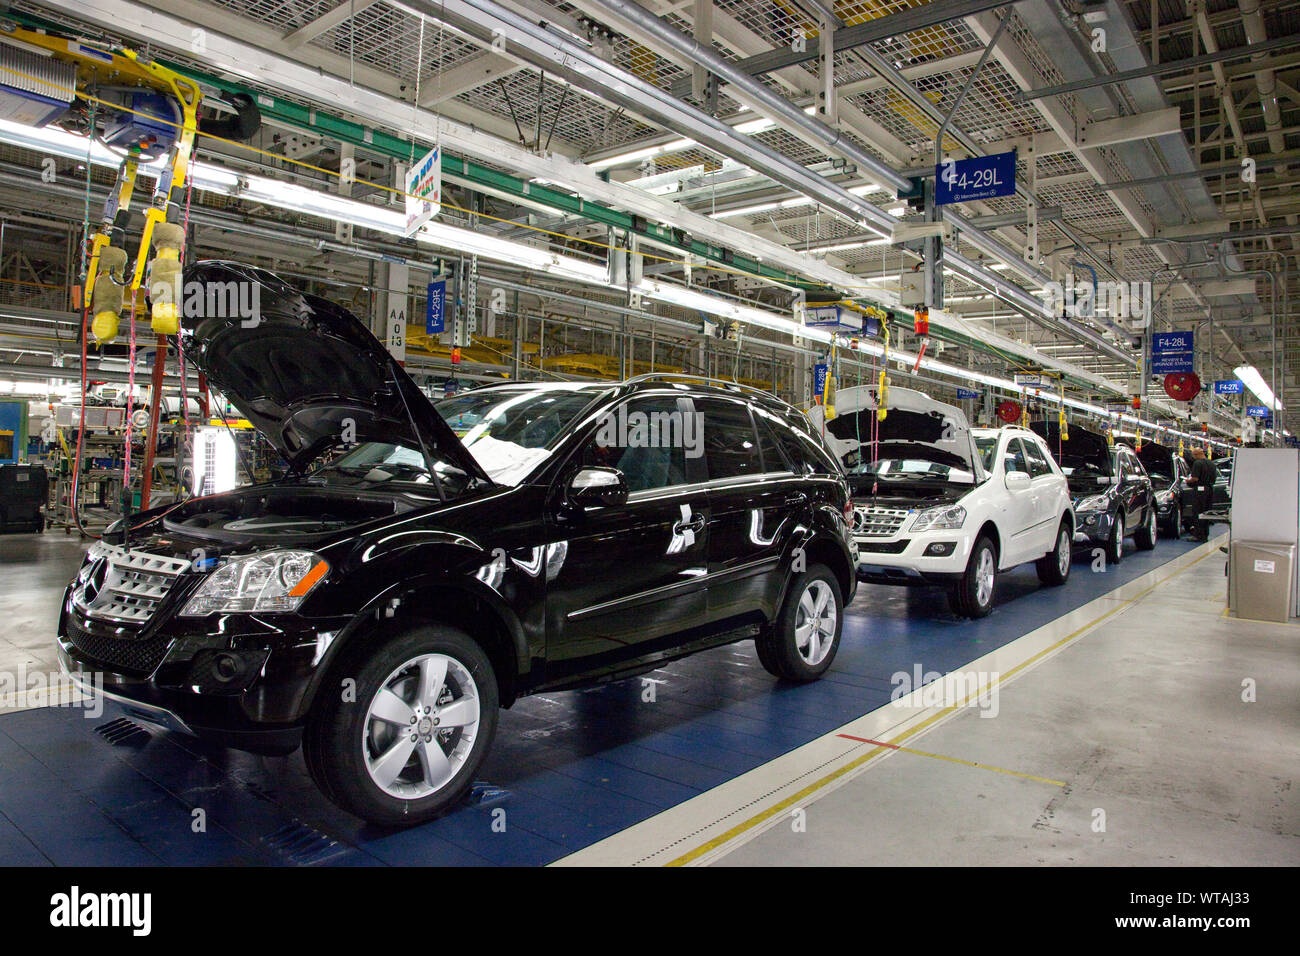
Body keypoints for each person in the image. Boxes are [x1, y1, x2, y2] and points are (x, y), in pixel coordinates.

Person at [1186, 447, 1217, 541]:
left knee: (1198, 512)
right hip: (1209, 490)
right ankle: (1205, 534)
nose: (1193, 457)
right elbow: (1214, 478)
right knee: (1206, 512)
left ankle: (1198, 535)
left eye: (1194, 455)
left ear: (1197, 454)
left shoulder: (1197, 463)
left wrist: (1188, 480)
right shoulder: (1212, 463)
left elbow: (1195, 478)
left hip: (1200, 490)